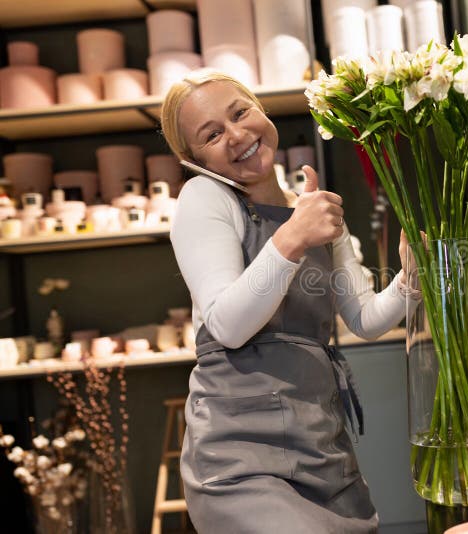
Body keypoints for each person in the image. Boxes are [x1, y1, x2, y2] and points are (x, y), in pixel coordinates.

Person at [161, 69, 420, 533]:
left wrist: (410, 280)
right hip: (239, 462)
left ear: (259, 108)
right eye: (212, 134)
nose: (237, 134)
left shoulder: (315, 208)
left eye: (240, 112)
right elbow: (227, 324)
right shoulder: (205, 198)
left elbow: (363, 318)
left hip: (321, 447)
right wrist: (293, 238)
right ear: (193, 157)